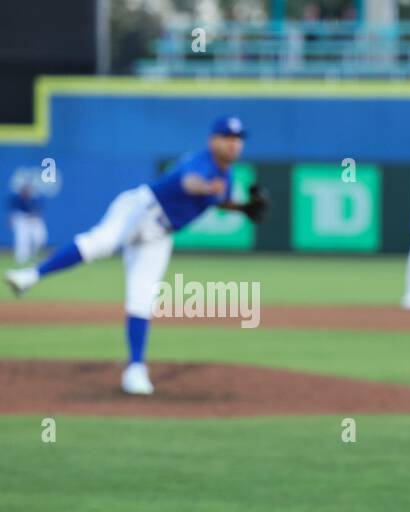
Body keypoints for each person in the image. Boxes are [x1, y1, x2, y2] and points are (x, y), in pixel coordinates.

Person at [4, 117, 266, 396]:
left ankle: (136, 369)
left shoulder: (227, 175)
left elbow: (218, 199)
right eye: (227, 137)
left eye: (238, 139)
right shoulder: (201, 163)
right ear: (213, 140)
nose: (233, 144)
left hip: (159, 236)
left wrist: (242, 208)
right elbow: (190, 183)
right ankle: (31, 275)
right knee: (100, 243)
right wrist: (208, 188)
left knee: (142, 297)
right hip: (140, 209)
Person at [7, 175, 47, 265]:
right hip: (22, 219)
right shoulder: (17, 197)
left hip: (34, 219)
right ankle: (21, 259)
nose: (26, 191)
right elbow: (13, 211)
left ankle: (35, 256)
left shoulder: (36, 197)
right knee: (22, 239)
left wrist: (34, 217)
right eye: (24, 189)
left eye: (28, 189)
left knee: (40, 238)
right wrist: (11, 220)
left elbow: (39, 211)